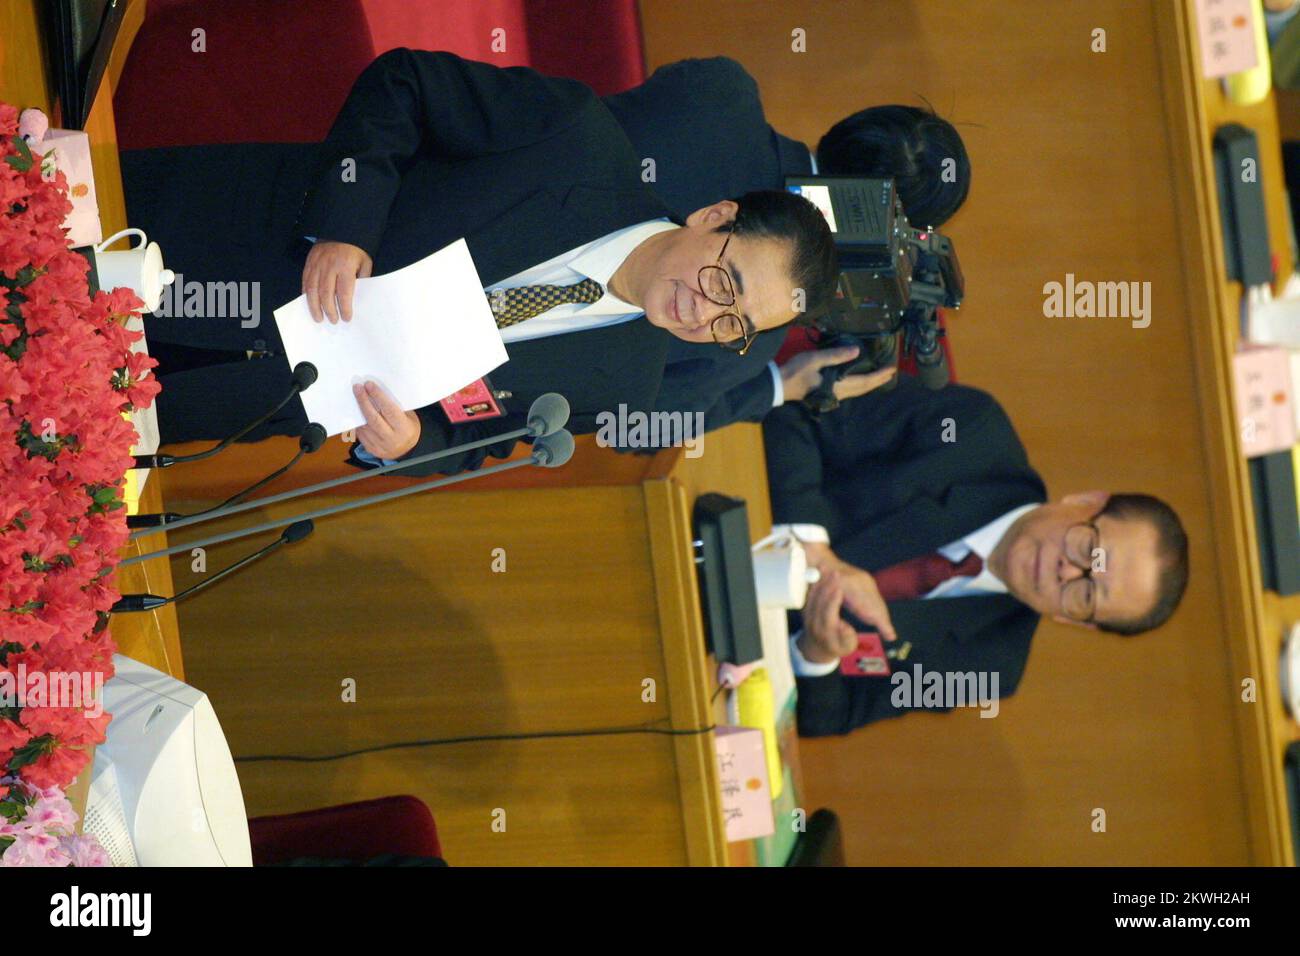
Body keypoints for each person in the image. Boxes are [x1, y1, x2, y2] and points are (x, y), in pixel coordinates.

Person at [132, 49, 837, 476]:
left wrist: (409, 442)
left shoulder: (625, 379)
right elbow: (403, 85)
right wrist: (346, 226)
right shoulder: (575, 138)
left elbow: (479, 440)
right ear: (714, 217)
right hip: (206, 242)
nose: (705, 314)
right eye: (727, 283)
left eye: (734, 326)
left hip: (232, 397)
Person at [763, 375, 1190, 737]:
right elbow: (798, 413)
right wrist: (815, 551)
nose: (1066, 571)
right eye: (1088, 550)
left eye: (1085, 594)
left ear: (1073, 620)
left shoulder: (991, 667)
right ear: (1084, 499)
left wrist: (817, 652)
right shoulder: (972, 430)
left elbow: (830, 717)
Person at [605, 56, 972, 429]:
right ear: (885, 239)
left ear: (852, 126)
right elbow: (630, 427)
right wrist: (777, 387)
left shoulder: (720, 89)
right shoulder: (743, 338)